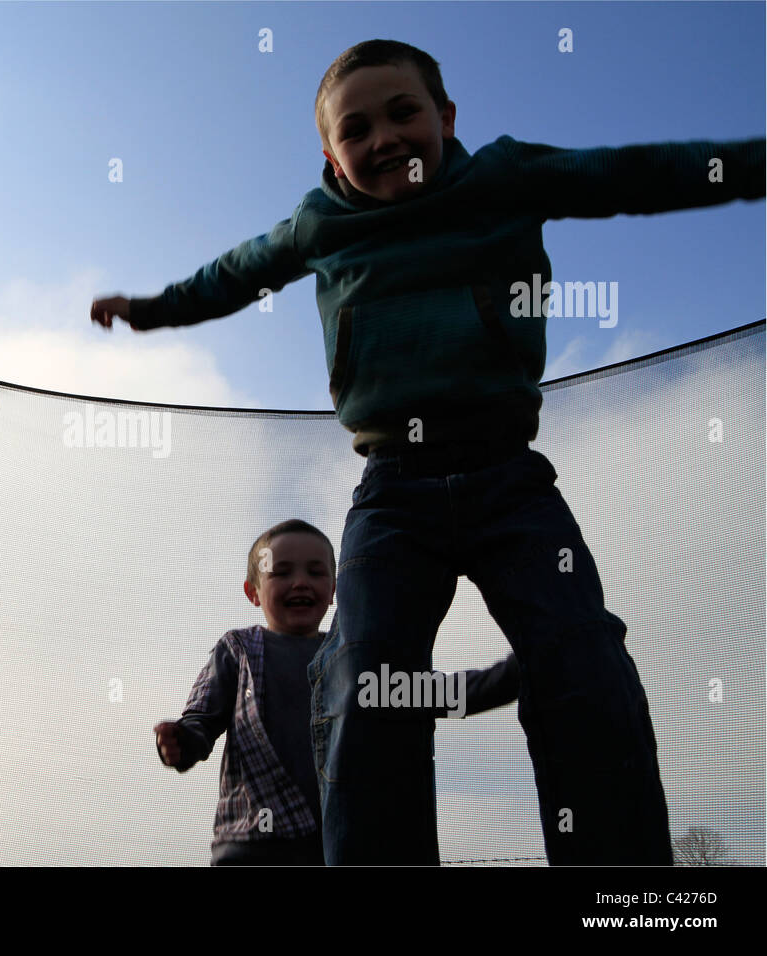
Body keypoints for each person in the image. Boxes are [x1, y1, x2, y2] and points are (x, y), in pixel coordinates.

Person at [95, 39, 764, 864]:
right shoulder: (321, 222)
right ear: (332, 157)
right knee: (367, 676)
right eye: (358, 129)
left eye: (404, 114)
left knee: (579, 654)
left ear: (445, 118)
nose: (385, 138)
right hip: (392, 494)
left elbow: (636, 171)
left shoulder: (505, 180)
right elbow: (237, 271)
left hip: (510, 479)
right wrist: (155, 310)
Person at [155, 519, 519, 865]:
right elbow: (201, 718)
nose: (300, 582)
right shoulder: (238, 649)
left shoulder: (352, 655)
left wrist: (511, 676)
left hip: (340, 846)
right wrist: (183, 741)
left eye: (315, 572)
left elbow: (426, 692)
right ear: (253, 591)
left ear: (333, 591)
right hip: (254, 846)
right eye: (281, 572)